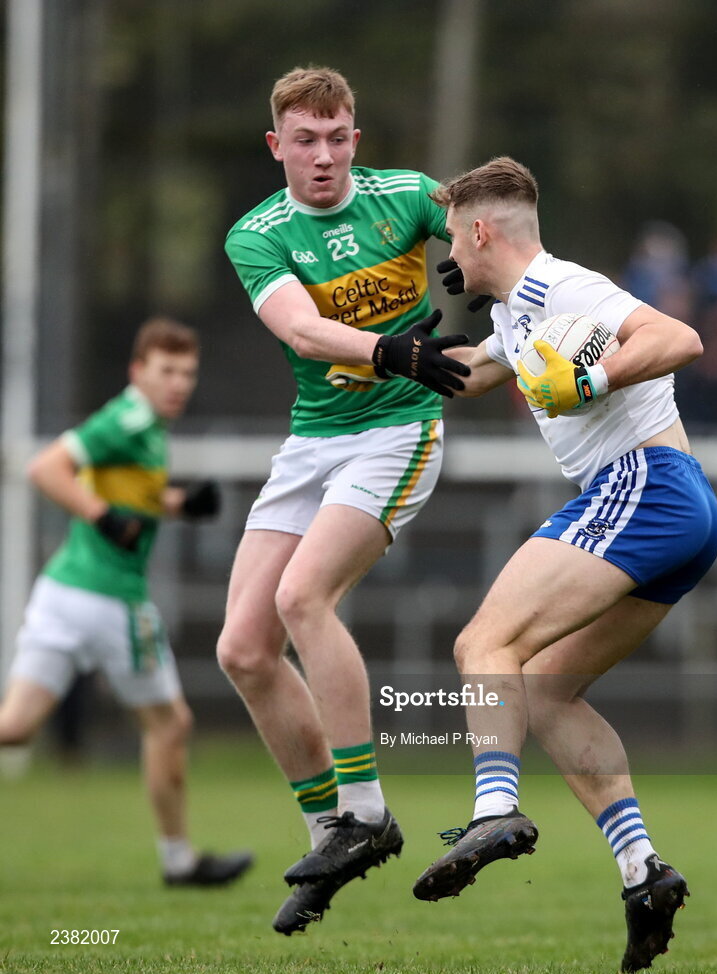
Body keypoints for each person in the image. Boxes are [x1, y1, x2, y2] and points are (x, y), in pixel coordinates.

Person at [411, 157, 717, 974]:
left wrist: (591, 376)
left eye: (453, 235)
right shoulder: (519, 308)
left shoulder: (560, 288)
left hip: (643, 484)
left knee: (484, 646)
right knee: (545, 690)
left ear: (480, 230)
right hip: (674, 506)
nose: (451, 251)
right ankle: (642, 872)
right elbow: (487, 367)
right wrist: (410, 361)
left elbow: (677, 338)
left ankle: (494, 810)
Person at [218, 66, 474, 934]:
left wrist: (474, 262)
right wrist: (389, 348)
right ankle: (332, 831)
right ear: (276, 146)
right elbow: (298, 328)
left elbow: (494, 221)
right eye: (304, 140)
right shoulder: (257, 233)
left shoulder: (404, 195)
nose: (322, 156)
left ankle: (363, 812)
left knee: (302, 598)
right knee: (245, 650)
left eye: (337, 139)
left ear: (354, 141)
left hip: (398, 434)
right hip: (314, 441)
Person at [0, 316, 253, 887]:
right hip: (113, 602)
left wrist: (176, 504)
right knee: (170, 726)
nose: (178, 384)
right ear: (137, 371)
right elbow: (46, 468)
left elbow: (126, 492)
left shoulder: (146, 428)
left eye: (187, 373)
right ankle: (179, 861)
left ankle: (179, 859)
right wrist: (101, 517)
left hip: (63, 590)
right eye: (166, 371)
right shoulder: (130, 415)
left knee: (14, 728)